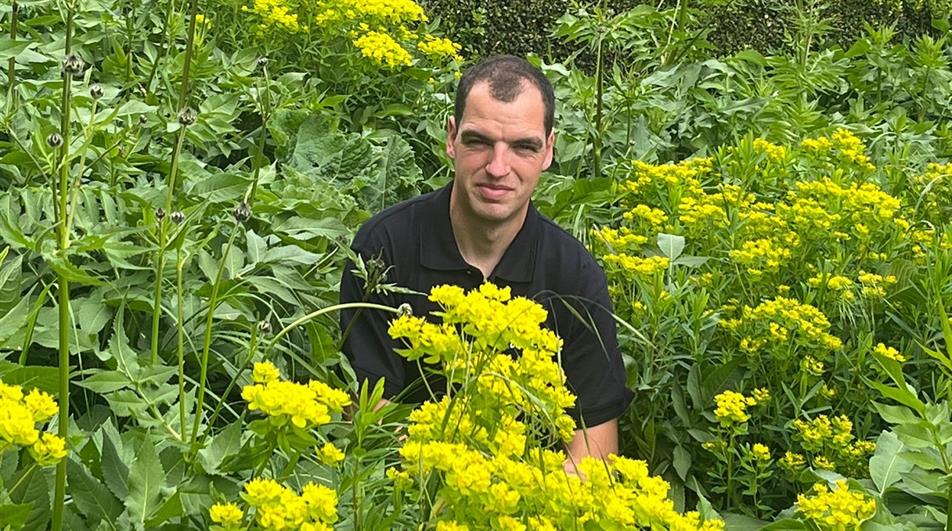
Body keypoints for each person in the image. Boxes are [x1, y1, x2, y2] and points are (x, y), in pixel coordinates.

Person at [339, 55, 632, 463]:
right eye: (478, 142)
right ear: (451, 138)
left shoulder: (575, 276)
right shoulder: (383, 247)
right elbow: (371, 418)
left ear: (548, 151)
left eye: (522, 147)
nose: (498, 168)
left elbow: (594, 453)